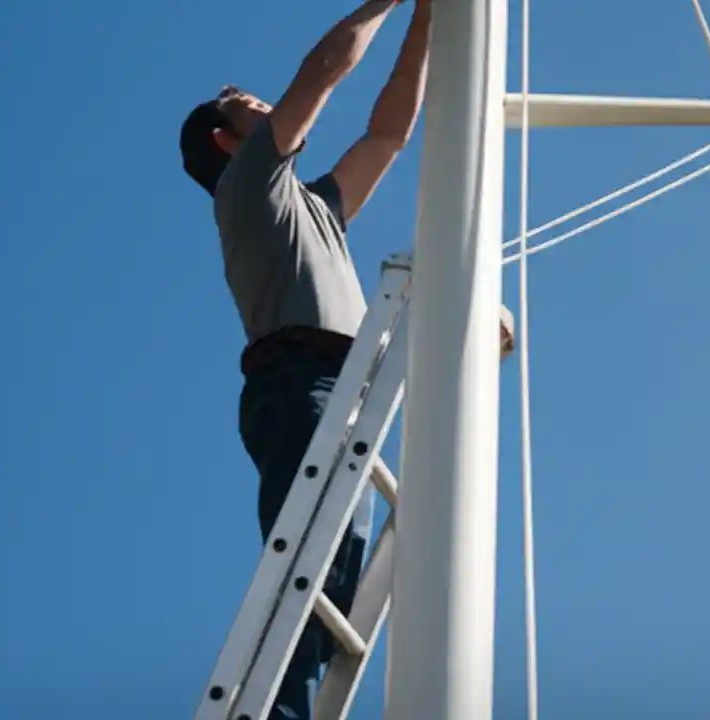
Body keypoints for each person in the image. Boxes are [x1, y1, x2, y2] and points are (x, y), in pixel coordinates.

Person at [179, 1, 513, 717]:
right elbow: (323, 72)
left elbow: (387, 134)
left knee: (327, 591)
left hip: (340, 394)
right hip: (299, 384)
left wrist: (428, 19)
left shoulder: (313, 208)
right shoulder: (247, 187)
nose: (266, 104)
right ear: (226, 140)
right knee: (306, 577)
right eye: (248, 106)